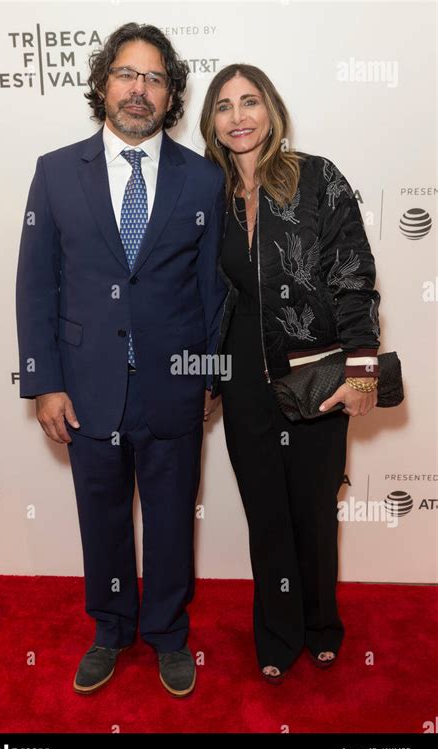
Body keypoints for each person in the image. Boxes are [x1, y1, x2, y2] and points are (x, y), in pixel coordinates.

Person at [15, 22, 226, 698]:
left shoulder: (203, 180)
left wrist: (210, 375)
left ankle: (167, 634)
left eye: (155, 78)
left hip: (173, 389)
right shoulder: (54, 172)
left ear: (171, 95)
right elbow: (35, 284)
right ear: (105, 83)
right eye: (128, 75)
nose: (140, 89)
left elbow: (215, 292)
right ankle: (110, 630)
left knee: (170, 518)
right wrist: (44, 383)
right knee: (101, 517)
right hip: (86, 387)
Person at [200, 64, 381, 683]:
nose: (239, 116)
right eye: (224, 106)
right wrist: (206, 375)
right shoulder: (209, 193)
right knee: (266, 512)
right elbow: (202, 296)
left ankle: (322, 624)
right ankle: (277, 635)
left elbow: (353, 272)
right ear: (212, 122)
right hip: (241, 377)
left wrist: (361, 369)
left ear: (271, 110)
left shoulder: (317, 178)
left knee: (313, 507)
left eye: (250, 102)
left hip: (315, 370)